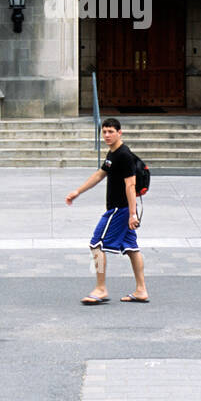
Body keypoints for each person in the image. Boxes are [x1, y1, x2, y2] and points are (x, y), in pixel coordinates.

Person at [66, 117, 149, 305]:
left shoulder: (124, 155)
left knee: (96, 244)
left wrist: (132, 214)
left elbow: (131, 185)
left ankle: (101, 289)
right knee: (131, 249)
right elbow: (100, 174)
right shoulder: (113, 154)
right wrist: (77, 191)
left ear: (120, 133)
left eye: (111, 131)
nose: (107, 135)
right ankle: (141, 290)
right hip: (121, 209)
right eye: (104, 132)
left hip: (119, 210)